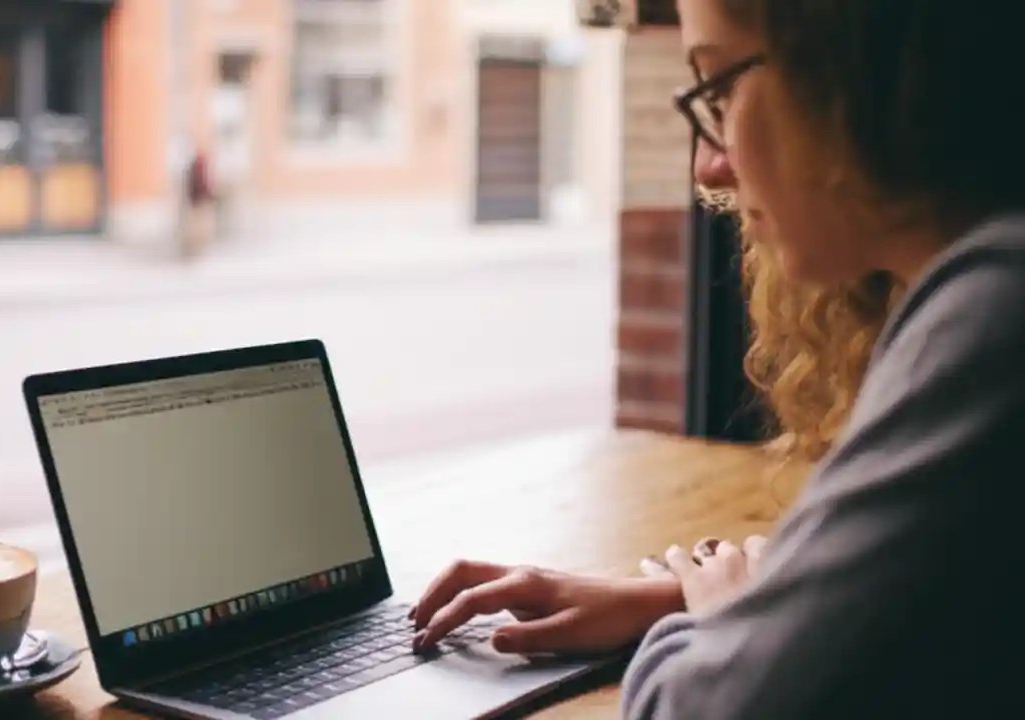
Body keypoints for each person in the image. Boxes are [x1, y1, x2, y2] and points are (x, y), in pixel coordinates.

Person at [410, 0, 1025, 716]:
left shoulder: (995, 319)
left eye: (721, 88)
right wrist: (682, 598)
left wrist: (716, 625)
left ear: (855, 70)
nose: (710, 166)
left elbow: (696, 709)